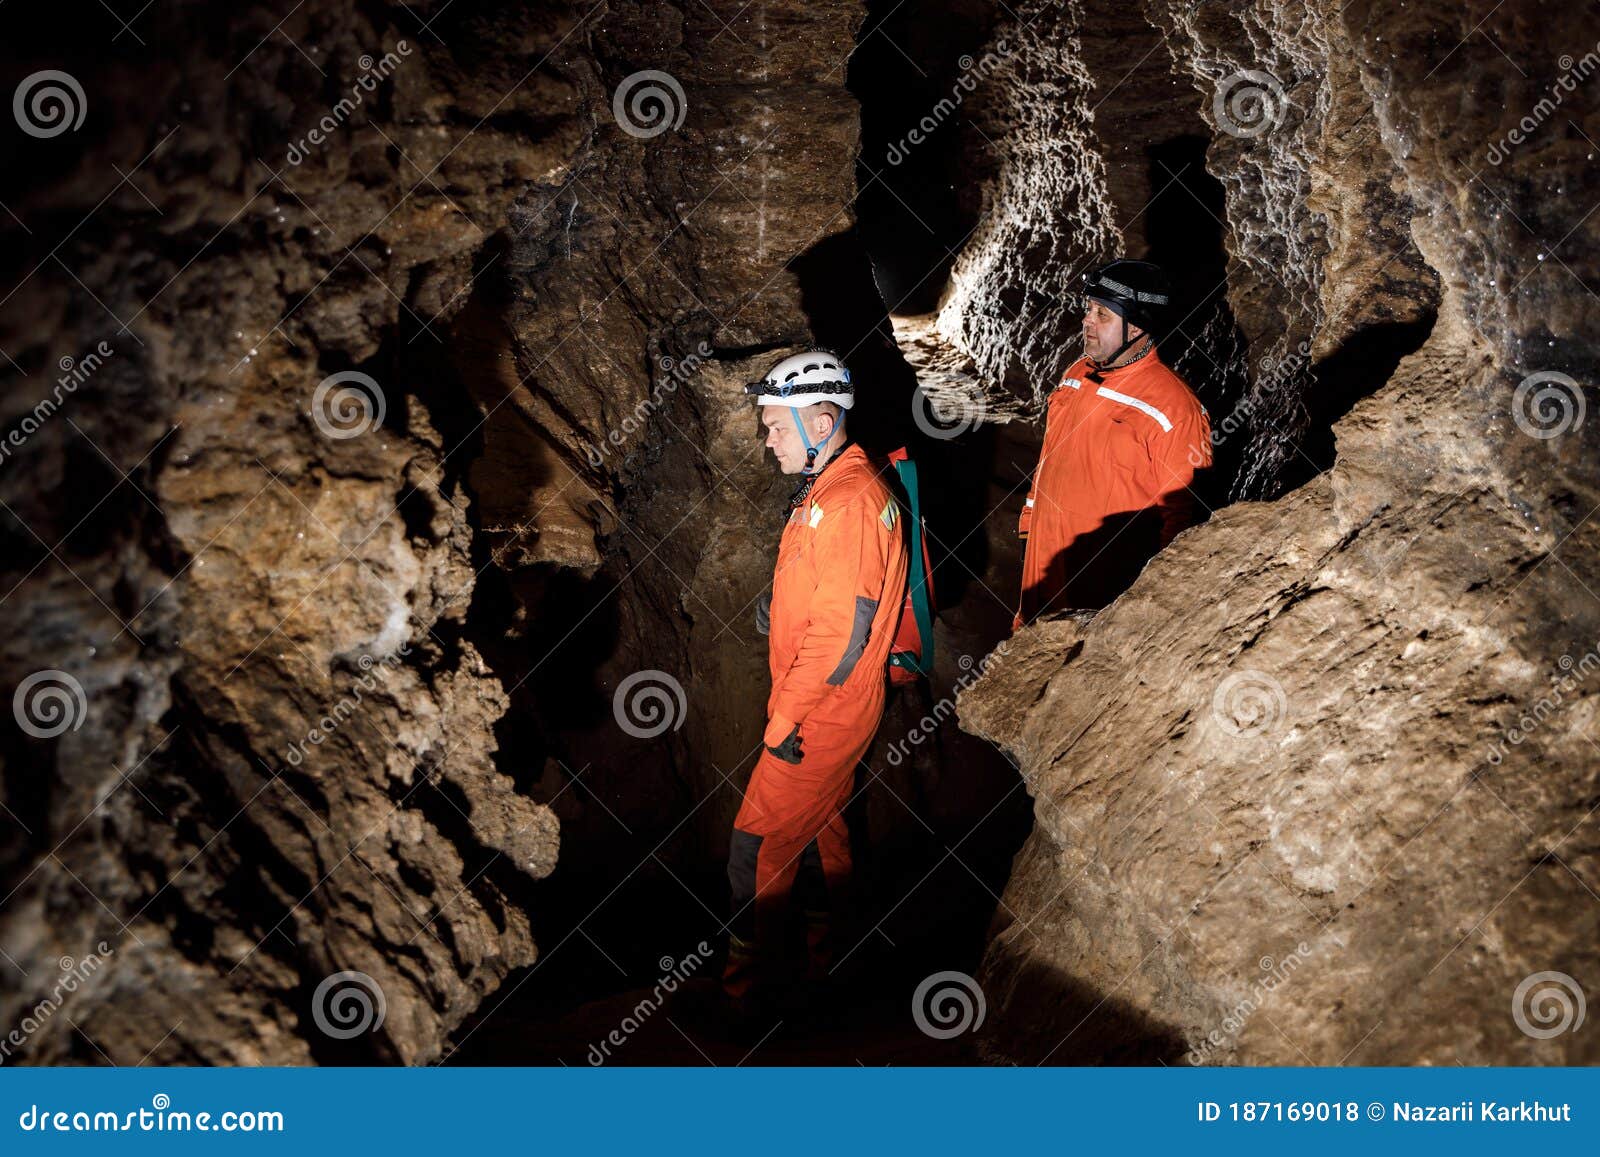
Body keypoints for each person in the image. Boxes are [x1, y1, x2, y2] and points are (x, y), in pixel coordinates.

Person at [722, 348, 910, 1014]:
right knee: (821, 838)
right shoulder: (826, 492)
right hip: (827, 704)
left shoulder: (851, 499)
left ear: (822, 422)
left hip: (820, 714)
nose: (766, 437)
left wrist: (783, 719)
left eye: (776, 425)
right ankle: (836, 971)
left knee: (757, 844)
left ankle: (753, 1001)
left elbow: (841, 635)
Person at [1014, 259, 1212, 627]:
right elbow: (1049, 458)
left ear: (1136, 326)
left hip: (1101, 586)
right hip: (1044, 565)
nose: (1087, 320)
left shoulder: (1173, 407)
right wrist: (1029, 524)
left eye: (1102, 314)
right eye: (1088, 309)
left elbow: (1182, 517)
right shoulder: (1076, 374)